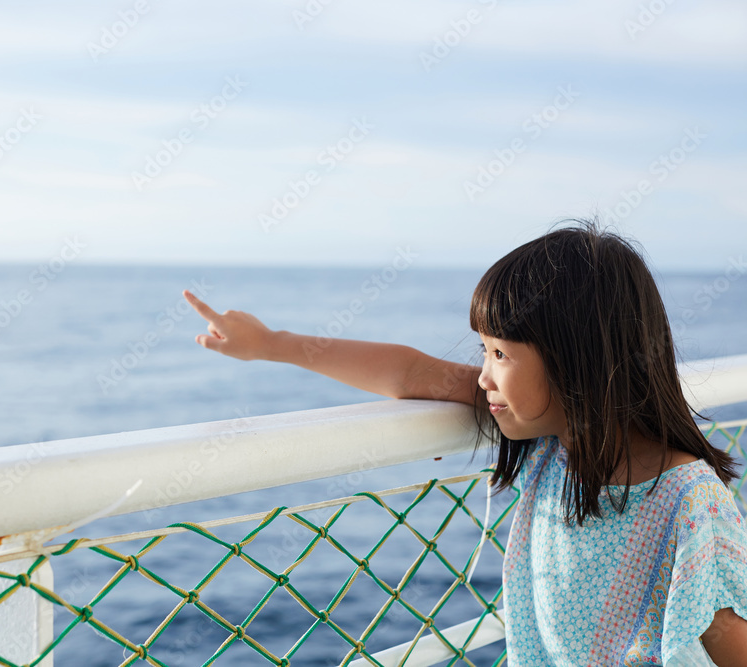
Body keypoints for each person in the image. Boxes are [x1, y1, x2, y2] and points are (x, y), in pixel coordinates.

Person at [183, 222, 747, 665]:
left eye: (500, 354)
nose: (483, 376)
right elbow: (409, 373)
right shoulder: (553, 446)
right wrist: (271, 343)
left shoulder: (688, 501)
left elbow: (729, 645)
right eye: (483, 350)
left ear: (580, 363)